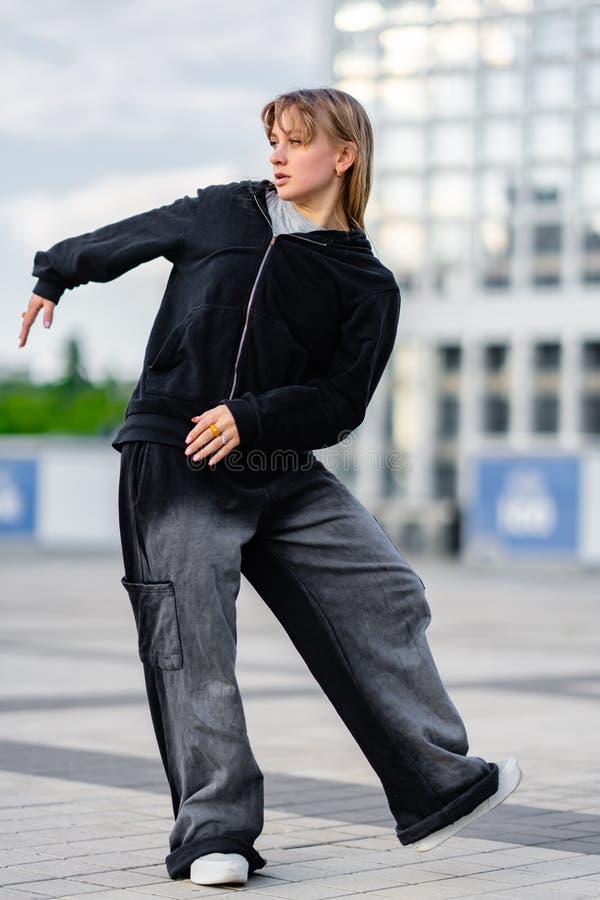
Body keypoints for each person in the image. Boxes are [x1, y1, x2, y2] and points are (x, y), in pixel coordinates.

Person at [19, 87, 522, 888]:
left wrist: (252, 418)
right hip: (176, 459)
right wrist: (57, 273)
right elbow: (133, 236)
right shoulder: (224, 212)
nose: (278, 156)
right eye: (273, 143)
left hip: (280, 468)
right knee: (196, 645)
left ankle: (439, 782)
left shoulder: (368, 283)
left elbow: (339, 404)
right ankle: (214, 831)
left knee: (387, 590)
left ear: (344, 155)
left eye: (295, 141)